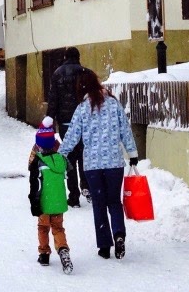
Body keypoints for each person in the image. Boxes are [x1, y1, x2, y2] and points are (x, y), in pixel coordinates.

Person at [58, 70, 138, 261]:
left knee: (99, 205)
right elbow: (125, 130)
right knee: (114, 202)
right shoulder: (113, 104)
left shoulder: (82, 108)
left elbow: (72, 135)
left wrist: (61, 155)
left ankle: (104, 246)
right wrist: (132, 153)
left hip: (93, 166)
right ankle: (119, 234)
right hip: (114, 164)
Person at [45, 46, 90, 206]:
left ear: (65, 57)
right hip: (84, 123)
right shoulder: (86, 73)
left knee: (70, 157)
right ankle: (87, 186)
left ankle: (74, 197)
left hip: (66, 123)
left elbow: (53, 99)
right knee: (85, 154)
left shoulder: (57, 74)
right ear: (78, 57)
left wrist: (49, 119)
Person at [28, 117, 73, 274]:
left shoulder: (38, 162)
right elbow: (70, 170)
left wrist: (33, 201)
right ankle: (63, 250)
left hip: (44, 202)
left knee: (43, 227)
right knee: (58, 228)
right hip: (59, 202)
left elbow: (34, 182)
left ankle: (44, 254)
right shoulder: (61, 159)